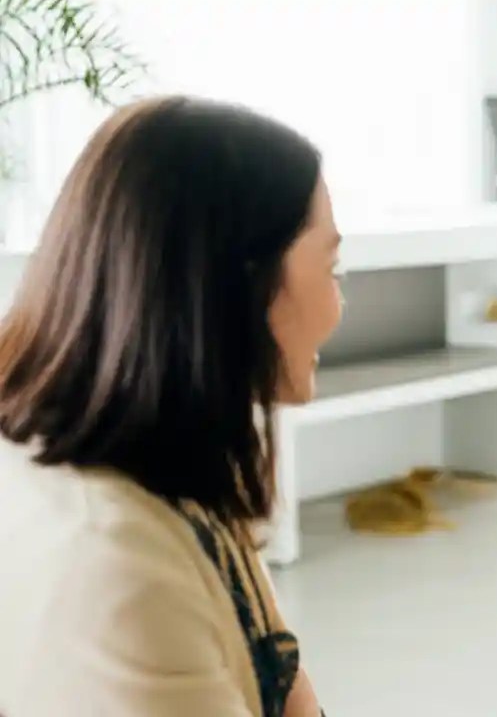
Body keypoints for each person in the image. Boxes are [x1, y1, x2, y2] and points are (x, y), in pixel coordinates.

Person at [0, 96, 343, 716]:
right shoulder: (119, 566)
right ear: (240, 284)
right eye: (332, 265)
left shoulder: (168, 455)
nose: (340, 307)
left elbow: (289, 692)